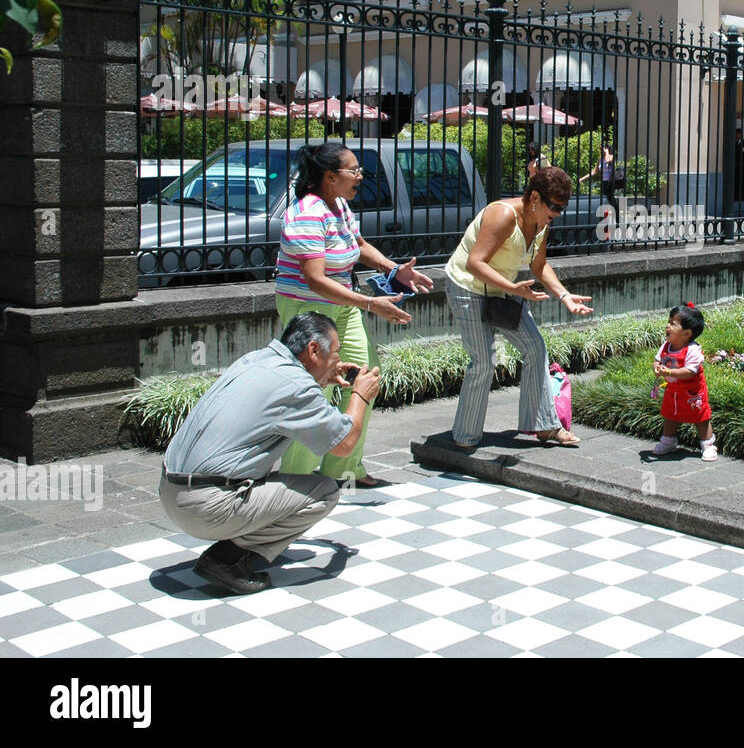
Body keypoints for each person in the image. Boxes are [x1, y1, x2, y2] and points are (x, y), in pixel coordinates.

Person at [159, 313, 379, 594]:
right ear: (313, 350)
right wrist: (360, 396)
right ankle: (225, 561)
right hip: (203, 507)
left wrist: (321, 376)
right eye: (335, 353)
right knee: (324, 491)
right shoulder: (297, 386)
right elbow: (344, 443)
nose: (337, 360)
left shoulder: (256, 359)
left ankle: (234, 539)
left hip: (170, 490)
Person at [275, 143, 433, 488]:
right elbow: (315, 280)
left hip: (344, 307)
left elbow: (358, 245)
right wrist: (370, 303)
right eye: (354, 171)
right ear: (330, 177)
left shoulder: (340, 206)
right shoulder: (307, 213)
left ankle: (343, 469)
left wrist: (395, 270)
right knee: (312, 389)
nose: (361, 176)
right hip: (309, 310)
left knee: (363, 378)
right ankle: (295, 477)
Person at [415, 167, 592, 453]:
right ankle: (466, 435)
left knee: (535, 347)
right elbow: (475, 263)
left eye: (563, 206)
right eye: (555, 206)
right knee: (484, 361)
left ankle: (545, 424)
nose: (558, 213)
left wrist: (564, 295)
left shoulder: (541, 220)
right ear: (534, 197)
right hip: (467, 287)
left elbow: (539, 265)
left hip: (502, 288)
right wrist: (514, 290)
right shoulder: (502, 215)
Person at [650, 303, 716, 462]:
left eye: (673, 323)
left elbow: (689, 372)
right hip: (673, 391)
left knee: (700, 417)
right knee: (670, 415)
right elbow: (656, 360)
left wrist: (669, 372)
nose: (668, 325)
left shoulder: (693, 350)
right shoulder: (666, 346)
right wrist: (657, 368)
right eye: (669, 321)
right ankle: (668, 441)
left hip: (692, 392)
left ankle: (708, 445)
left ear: (687, 333)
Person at [582, 143, 619, 222]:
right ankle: (607, 218)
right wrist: (583, 178)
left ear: (606, 148)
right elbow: (594, 172)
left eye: (601, 149)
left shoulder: (611, 156)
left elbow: (608, 160)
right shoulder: (600, 160)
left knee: (610, 199)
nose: (600, 151)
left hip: (610, 182)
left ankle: (617, 218)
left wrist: (607, 151)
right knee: (605, 200)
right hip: (604, 182)